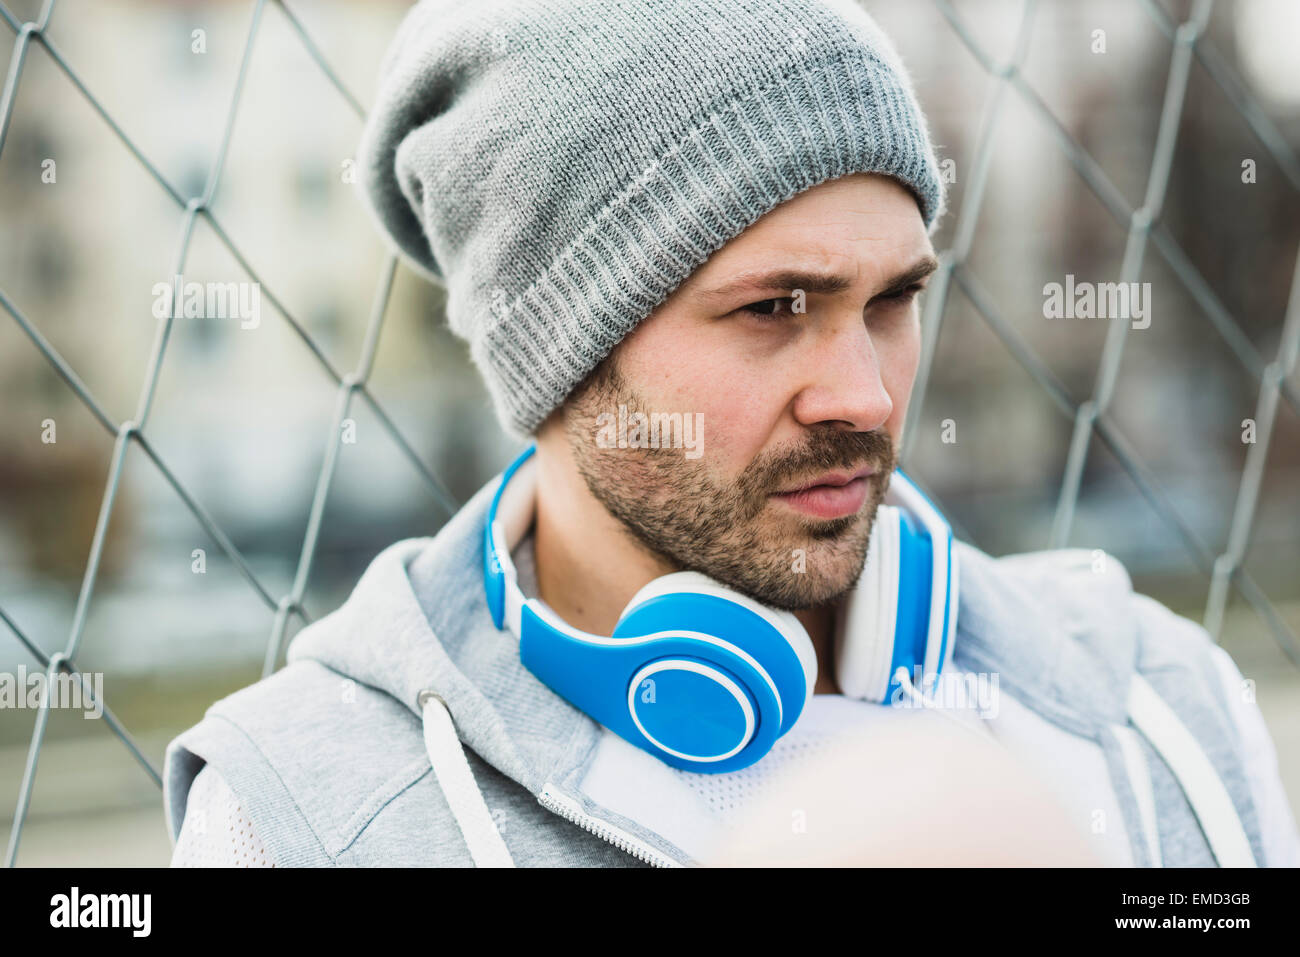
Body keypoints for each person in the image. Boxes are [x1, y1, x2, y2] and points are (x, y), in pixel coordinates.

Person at [164, 0, 1298, 868]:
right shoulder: (300, 822)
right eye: (772, 310)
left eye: (893, 300)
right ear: (556, 352)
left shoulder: (1161, 705)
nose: (864, 397)